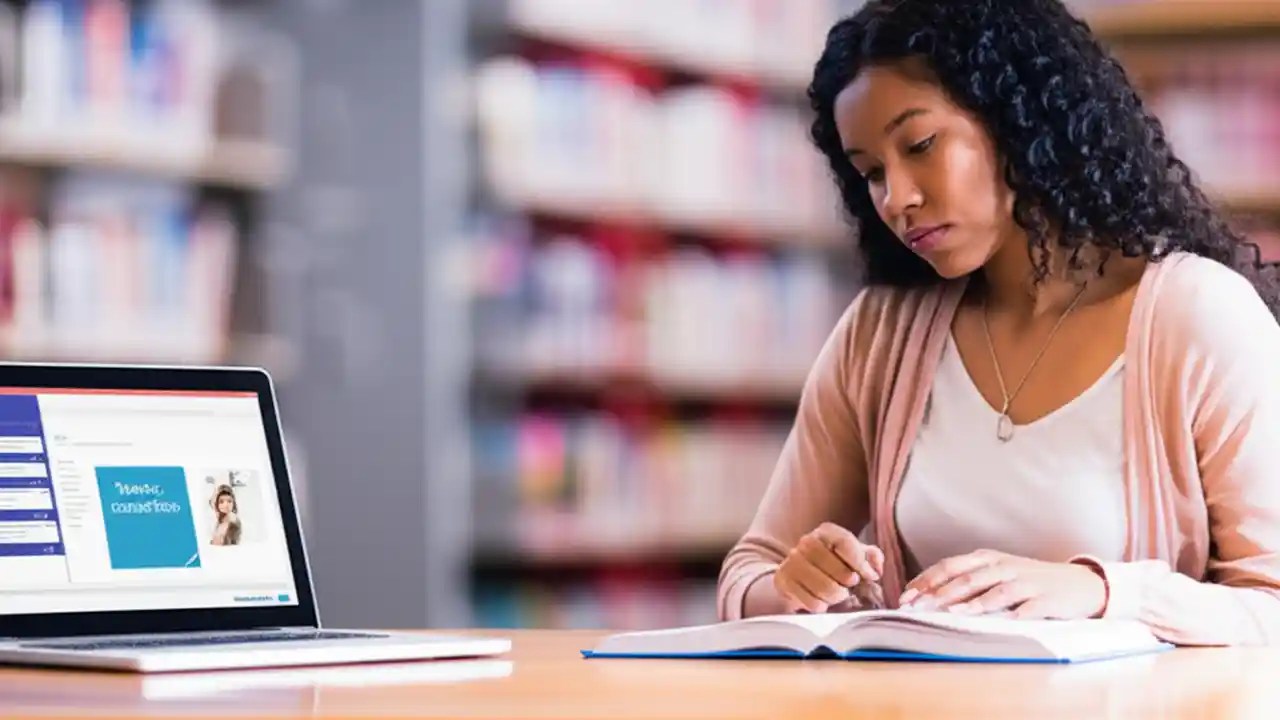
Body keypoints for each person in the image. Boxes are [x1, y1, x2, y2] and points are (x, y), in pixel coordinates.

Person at [718, 0, 1280, 646]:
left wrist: (1102, 592)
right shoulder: (881, 334)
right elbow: (747, 571)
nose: (896, 198)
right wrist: (793, 585)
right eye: (871, 172)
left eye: (921, 145)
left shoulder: (1198, 315)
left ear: (1019, 121)